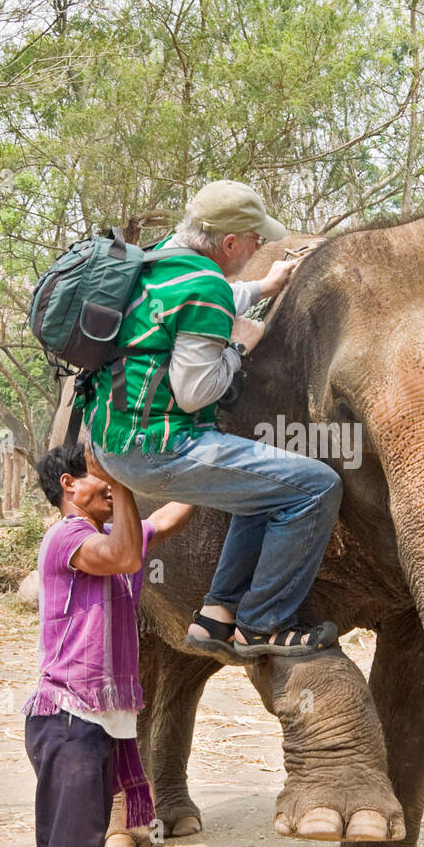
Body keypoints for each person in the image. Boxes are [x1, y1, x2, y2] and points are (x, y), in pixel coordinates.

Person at [85, 179, 342, 662]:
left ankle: (216, 615)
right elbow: (196, 391)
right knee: (315, 486)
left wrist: (266, 285)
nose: (258, 247)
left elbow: (199, 299)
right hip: (161, 449)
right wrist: (240, 344)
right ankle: (264, 624)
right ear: (229, 243)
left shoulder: (159, 257)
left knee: (261, 489)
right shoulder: (205, 286)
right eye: (255, 240)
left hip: (111, 439)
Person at [3, 441, 196, 847]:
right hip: (70, 715)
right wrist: (127, 486)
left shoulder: (113, 532)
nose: (109, 487)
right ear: (68, 485)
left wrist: (209, 480)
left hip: (87, 718)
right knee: (78, 844)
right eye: (98, 478)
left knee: (59, 835)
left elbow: (157, 522)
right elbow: (123, 556)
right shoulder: (68, 537)